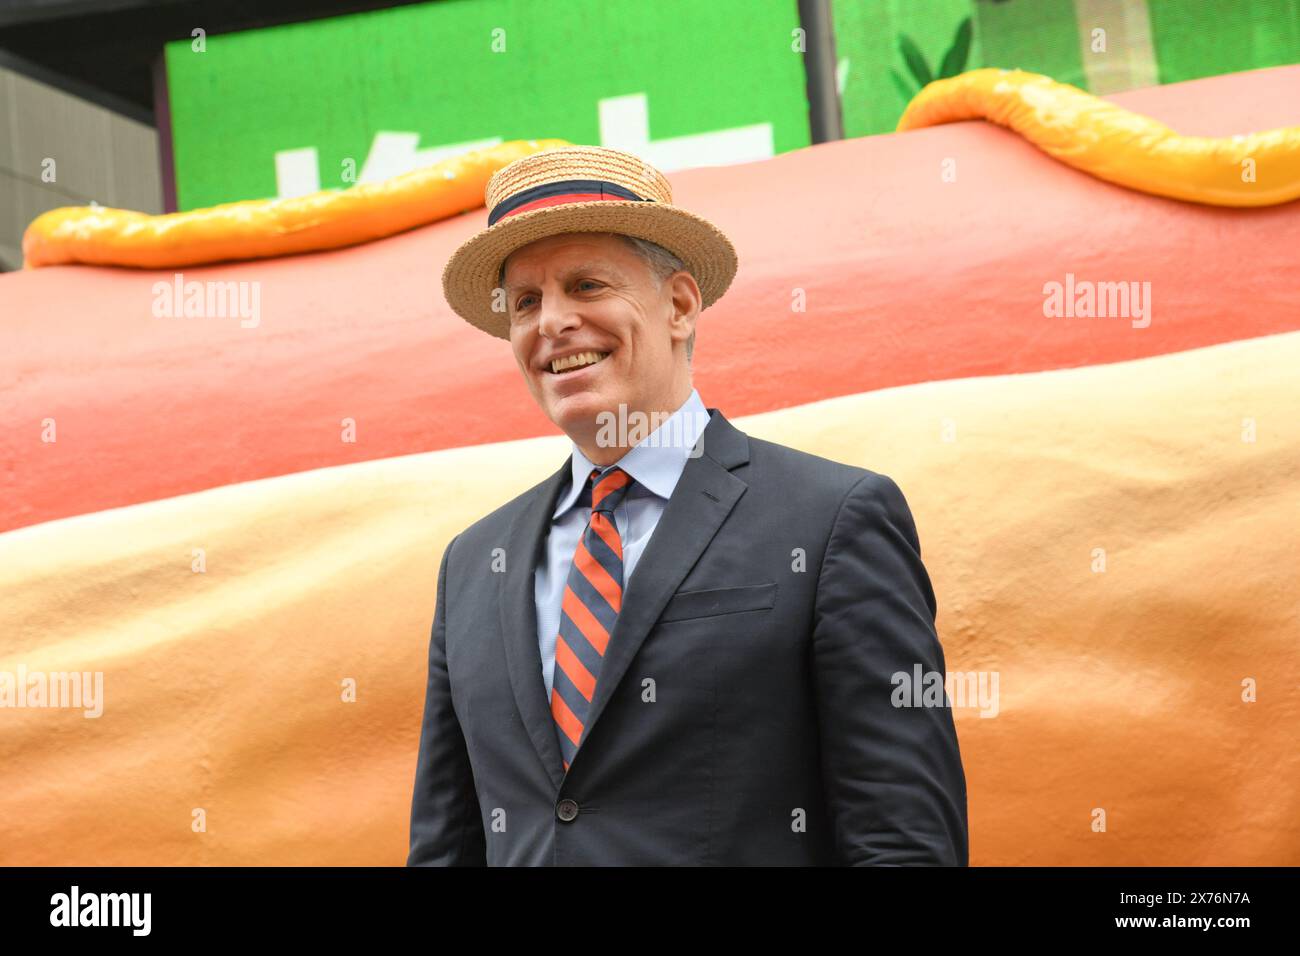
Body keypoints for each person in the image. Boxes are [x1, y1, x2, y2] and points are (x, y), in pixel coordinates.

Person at [408, 144, 968, 865]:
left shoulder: (833, 520)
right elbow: (446, 846)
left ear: (678, 304)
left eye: (585, 285)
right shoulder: (472, 567)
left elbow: (904, 842)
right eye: (525, 302)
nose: (552, 322)